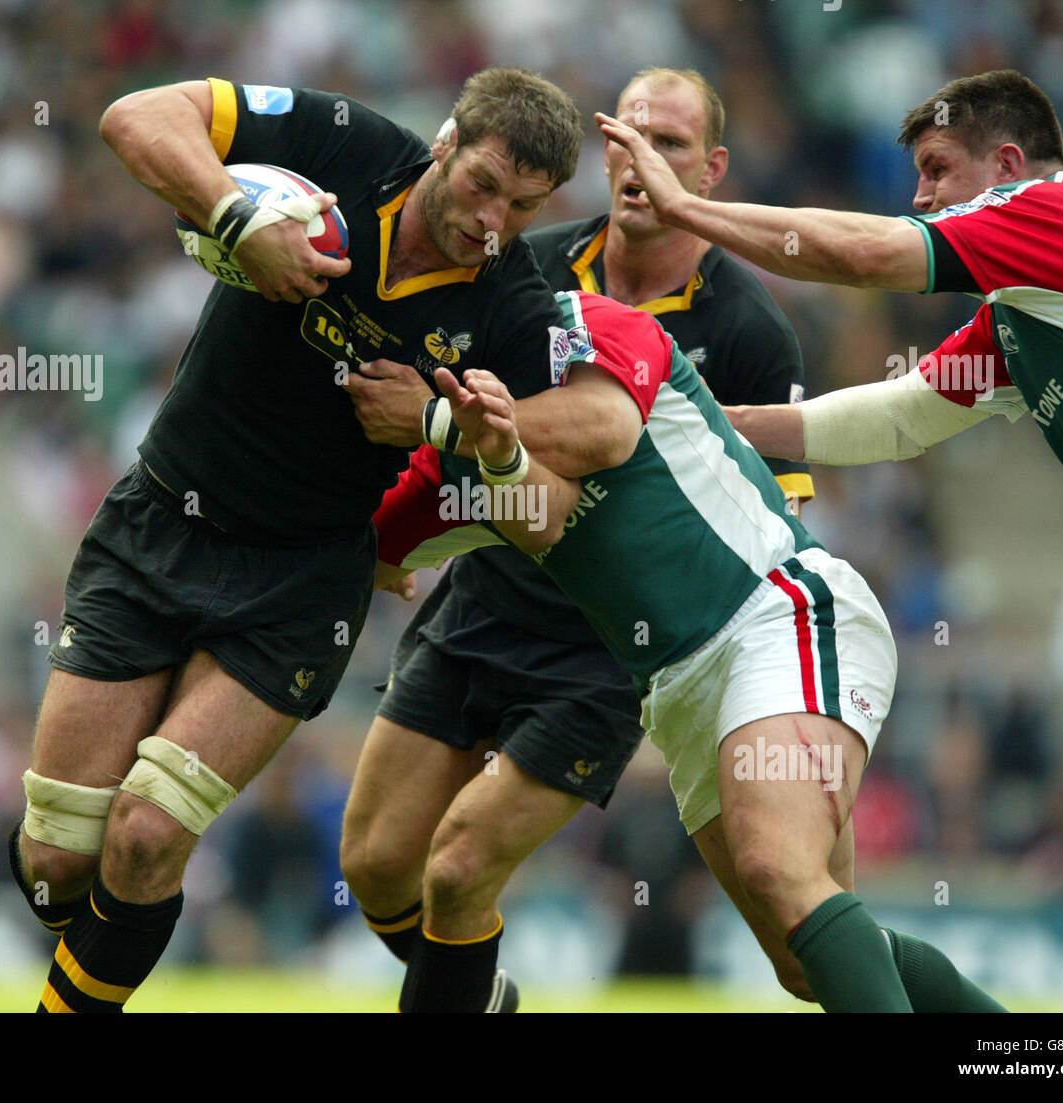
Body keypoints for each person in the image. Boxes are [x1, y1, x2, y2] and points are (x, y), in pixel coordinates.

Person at [8, 68, 583, 1013]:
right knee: (55, 859)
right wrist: (236, 218)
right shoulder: (345, 144)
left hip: (300, 582)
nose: (494, 221)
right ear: (445, 143)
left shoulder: (516, 311)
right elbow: (135, 117)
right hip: (160, 521)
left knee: (148, 834)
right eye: (484, 184)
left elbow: (550, 507)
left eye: (524, 207)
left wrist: (444, 427)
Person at [600, 67, 1063, 979]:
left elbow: (864, 254)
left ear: (1009, 165)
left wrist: (687, 211)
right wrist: (699, 419)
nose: (920, 196)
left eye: (938, 169)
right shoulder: (1025, 316)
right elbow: (896, 417)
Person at [375, 288, 1001, 1013]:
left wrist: (439, 420)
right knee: (803, 957)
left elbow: (604, 434)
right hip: (678, 690)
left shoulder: (583, 324)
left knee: (778, 869)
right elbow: (400, 548)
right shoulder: (444, 469)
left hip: (773, 613)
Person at [340, 68, 818, 1009]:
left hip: (608, 648)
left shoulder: (750, 329)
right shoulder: (527, 263)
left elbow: (777, 523)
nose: (643, 159)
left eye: (670, 143)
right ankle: (484, 998)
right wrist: (395, 532)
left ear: (712, 169)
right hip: (483, 600)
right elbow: (446, 415)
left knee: (459, 865)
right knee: (376, 864)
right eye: (628, 136)